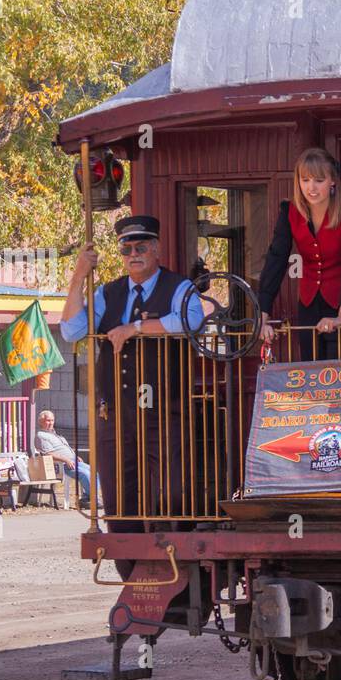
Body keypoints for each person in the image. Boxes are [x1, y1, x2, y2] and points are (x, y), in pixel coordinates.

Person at [60, 215, 205, 577]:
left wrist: (136, 328)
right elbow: (71, 329)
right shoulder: (108, 292)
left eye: (141, 247)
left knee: (170, 495)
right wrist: (78, 275)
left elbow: (190, 322)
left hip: (164, 411)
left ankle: (172, 570)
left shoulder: (179, 286)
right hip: (116, 415)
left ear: (156, 249)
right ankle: (132, 575)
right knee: (119, 499)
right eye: (126, 249)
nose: (133, 255)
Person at [257, 148, 341, 360]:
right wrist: (262, 314)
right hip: (308, 302)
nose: (311, 188)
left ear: (332, 181)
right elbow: (276, 259)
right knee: (311, 371)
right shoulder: (289, 211)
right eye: (305, 180)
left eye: (319, 180)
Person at [35, 409, 99, 509]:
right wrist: (66, 460)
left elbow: (64, 449)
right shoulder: (41, 436)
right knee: (85, 474)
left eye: (52, 420)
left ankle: (88, 498)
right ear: (41, 422)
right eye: (48, 420)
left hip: (72, 461)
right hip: (61, 465)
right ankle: (92, 499)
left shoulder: (55, 435)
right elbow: (48, 454)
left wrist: (74, 457)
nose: (51, 423)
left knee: (94, 472)